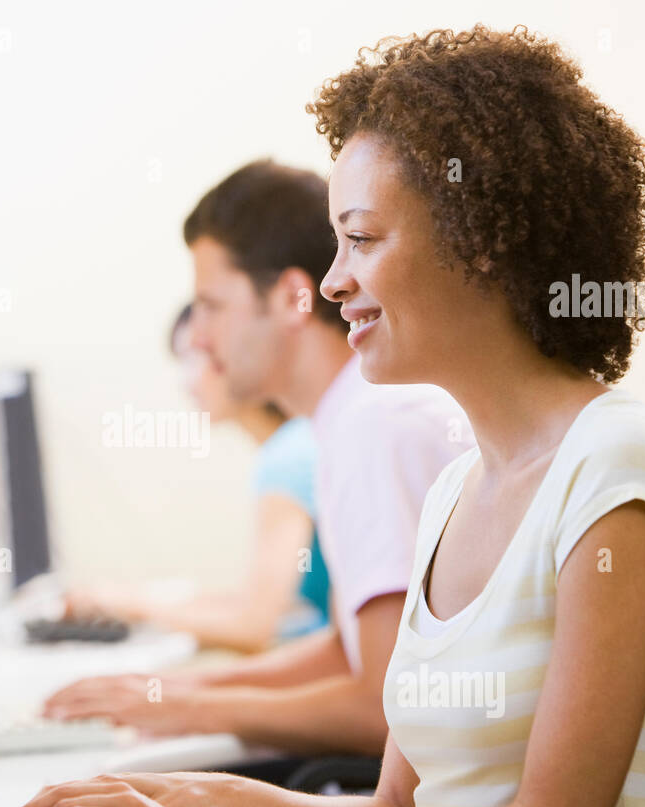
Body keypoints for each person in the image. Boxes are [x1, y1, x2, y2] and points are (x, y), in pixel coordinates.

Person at [11, 25, 645, 807]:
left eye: (363, 239)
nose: (332, 279)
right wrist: (199, 800)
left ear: (478, 238)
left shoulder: (614, 469)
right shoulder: (457, 493)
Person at [43, 159, 472, 755]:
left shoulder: (373, 423)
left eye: (211, 306)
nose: (195, 338)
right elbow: (350, 647)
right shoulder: (350, 417)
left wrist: (192, 707)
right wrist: (171, 690)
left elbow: (385, 708)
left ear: (294, 298)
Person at [65, 303, 332, 652]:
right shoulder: (299, 441)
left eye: (196, 357)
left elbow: (253, 626)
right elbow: (269, 602)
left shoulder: (288, 456)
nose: (186, 382)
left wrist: (135, 607)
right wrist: (134, 600)